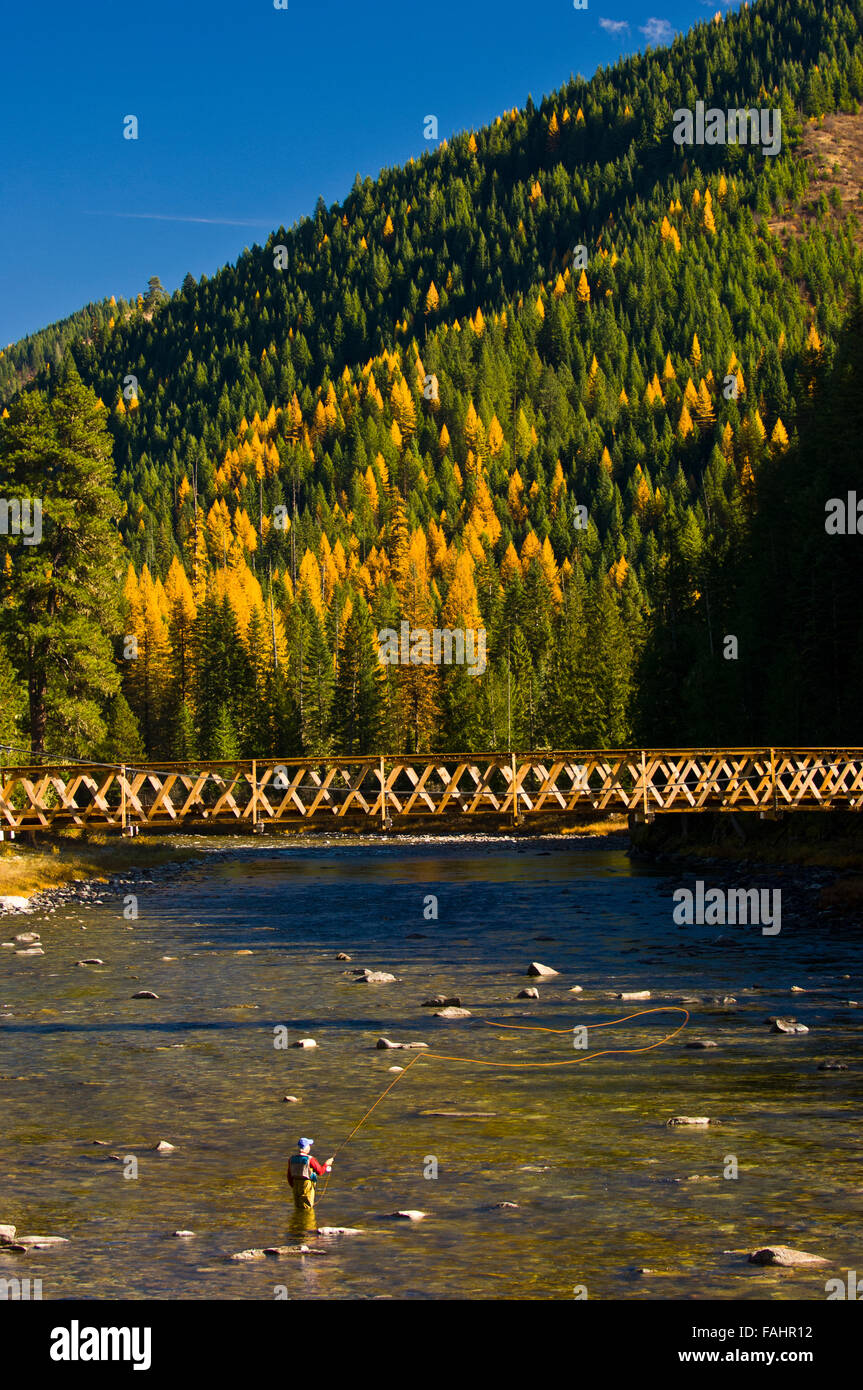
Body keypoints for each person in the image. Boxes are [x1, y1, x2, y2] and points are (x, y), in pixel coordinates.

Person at [287, 1137, 333, 1212]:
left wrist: (294, 1186)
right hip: (307, 1186)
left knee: (298, 1208)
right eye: (309, 1145)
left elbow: (289, 1176)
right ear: (306, 1147)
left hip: (295, 1185)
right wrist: (326, 1164)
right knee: (307, 1210)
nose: (310, 1147)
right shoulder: (310, 1159)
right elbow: (320, 1172)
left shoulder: (291, 1159)